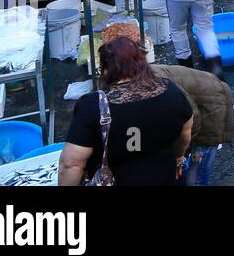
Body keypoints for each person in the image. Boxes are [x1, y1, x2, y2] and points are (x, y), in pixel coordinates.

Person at [59, 36, 194, 186]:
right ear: (142, 62)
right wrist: (179, 157)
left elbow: (71, 164)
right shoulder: (170, 91)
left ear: (106, 68)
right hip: (165, 178)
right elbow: (186, 131)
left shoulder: (92, 106)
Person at [152, 62, 234, 186]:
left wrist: (180, 154)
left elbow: (192, 118)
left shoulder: (155, 83)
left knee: (196, 173)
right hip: (203, 98)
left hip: (211, 109)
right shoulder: (139, 75)